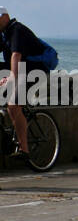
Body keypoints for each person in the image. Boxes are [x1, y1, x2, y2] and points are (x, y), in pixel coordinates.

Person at [0, 8, 58, 159]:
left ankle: (24, 150)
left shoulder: (17, 30)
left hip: (35, 71)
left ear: (5, 17)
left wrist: (11, 77)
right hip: (22, 70)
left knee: (13, 106)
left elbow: (16, 55)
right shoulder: (4, 35)